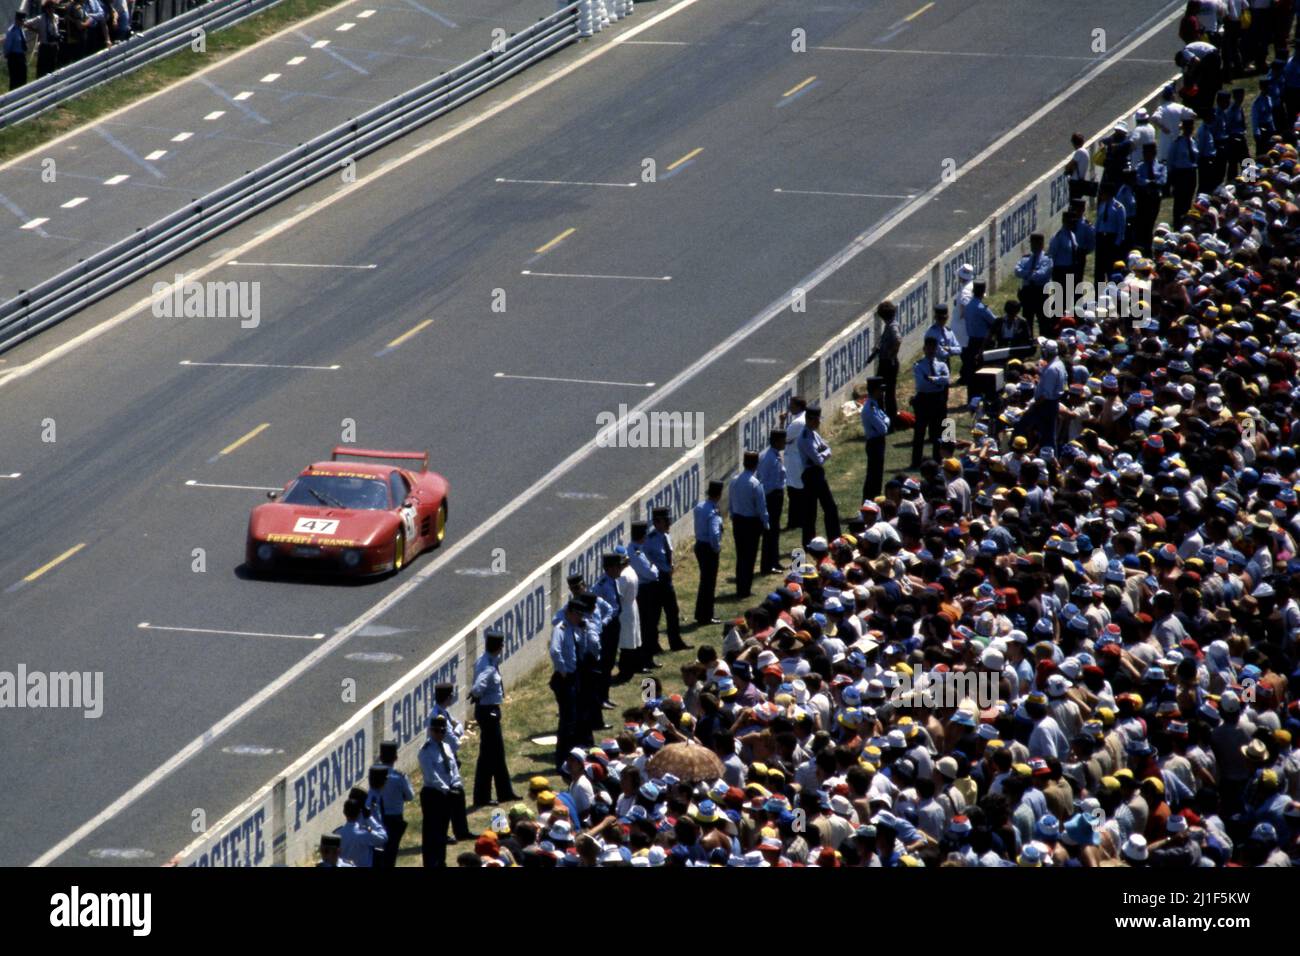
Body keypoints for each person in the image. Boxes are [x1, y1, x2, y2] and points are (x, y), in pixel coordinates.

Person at [472, 629, 517, 808]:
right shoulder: (488, 666)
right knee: (487, 756)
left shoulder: (489, 660)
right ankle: (482, 796)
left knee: (497, 754)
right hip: (487, 711)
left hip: (490, 709)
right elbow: (478, 687)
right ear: (499, 647)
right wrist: (476, 694)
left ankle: (504, 791)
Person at [419, 715, 462, 868]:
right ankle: (430, 863)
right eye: (437, 731)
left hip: (448, 793)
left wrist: (456, 784)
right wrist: (446, 789)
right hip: (433, 794)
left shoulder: (447, 747)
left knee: (443, 830)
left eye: (443, 731)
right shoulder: (425, 751)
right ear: (430, 731)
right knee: (432, 832)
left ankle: (441, 861)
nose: (440, 734)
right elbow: (431, 776)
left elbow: (453, 769)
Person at [644, 506, 688, 651]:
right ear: (657, 522)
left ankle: (675, 642)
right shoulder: (650, 540)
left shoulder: (665, 535)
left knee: (672, 612)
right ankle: (653, 645)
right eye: (665, 520)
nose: (669, 523)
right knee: (654, 615)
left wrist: (671, 567)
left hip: (666, 579)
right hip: (657, 581)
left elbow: (669, 555)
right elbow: (646, 561)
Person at [797, 405, 840, 548]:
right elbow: (819, 459)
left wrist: (823, 452)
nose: (819, 423)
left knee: (830, 507)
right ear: (809, 419)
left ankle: (834, 538)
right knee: (811, 512)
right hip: (811, 475)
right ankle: (808, 543)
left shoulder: (813, 434)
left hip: (818, 473)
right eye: (816, 420)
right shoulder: (804, 438)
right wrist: (823, 452)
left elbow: (827, 448)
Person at [549, 600, 584, 771]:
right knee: (566, 721)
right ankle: (562, 760)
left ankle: (569, 756)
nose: (580, 618)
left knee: (572, 719)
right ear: (569, 613)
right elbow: (555, 651)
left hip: (573, 676)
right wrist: (562, 669)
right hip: (564, 679)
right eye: (577, 614)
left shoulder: (573, 628)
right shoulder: (561, 628)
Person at [729, 450, 768, 598]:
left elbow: (731, 502)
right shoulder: (755, 484)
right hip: (751, 523)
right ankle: (745, 589)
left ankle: (740, 587)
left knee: (741, 555)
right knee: (750, 556)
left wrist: (733, 515)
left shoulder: (734, 480)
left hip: (738, 521)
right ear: (756, 464)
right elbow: (761, 507)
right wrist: (765, 523)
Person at [911, 336, 949, 468]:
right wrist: (938, 381)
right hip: (924, 399)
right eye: (929, 348)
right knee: (920, 431)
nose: (931, 350)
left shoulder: (942, 364)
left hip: (938, 399)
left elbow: (946, 380)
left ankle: (937, 459)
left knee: (939, 431)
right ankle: (916, 461)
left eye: (934, 348)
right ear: (924, 349)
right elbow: (922, 385)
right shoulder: (919, 365)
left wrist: (933, 379)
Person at [374, 739, 413, 867]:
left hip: (378, 818)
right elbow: (410, 796)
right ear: (396, 758)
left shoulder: (374, 775)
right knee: (391, 852)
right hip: (395, 818)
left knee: (377, 853)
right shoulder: (399, 777)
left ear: (380, 757)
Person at [629, 521, 662, 664]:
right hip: (644, 591)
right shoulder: (635, 552)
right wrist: (654, 567)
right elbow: (650, 573)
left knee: (649, 624)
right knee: (646, 626)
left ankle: (648, 655)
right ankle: (645, 658)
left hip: (646, 590)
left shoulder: (637, 549)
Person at [693, 480, 724, 625]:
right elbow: (714, 533)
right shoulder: (713, 510)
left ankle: (701, 613)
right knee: (709, 583)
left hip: (699, 545)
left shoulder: (700, 507)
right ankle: (706, 615)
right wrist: (717, 548)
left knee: (704, 581)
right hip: (708, 548)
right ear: (719, 494)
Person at [757, 428, 787, 574]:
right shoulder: (768, 458)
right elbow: (764, 481)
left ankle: (774, 561)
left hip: (776, 495)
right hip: (771, 497)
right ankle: (767, 565)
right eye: (783, 440)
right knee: (770, 532)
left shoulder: (774, 455)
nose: (785, 443)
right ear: (776, 441)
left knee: (775, 531)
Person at [1015, 233, 1053, 338]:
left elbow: (1041, 274)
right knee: (1027, 318)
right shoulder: (1026, 258)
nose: (1032, 246)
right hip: (1027, 292)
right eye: (1031, 243)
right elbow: (1017, 270)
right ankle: (1028, 339)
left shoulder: (1047, 259)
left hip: (1040, 292)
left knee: (1043, 319)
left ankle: (1044, 338)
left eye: (1034, 243)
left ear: (1040, 244)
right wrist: (1030, 273)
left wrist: (1026, 274)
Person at [335, 796, 387, 867]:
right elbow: (383, 837)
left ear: (344, 812)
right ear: (359, 813)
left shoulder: (337, 833)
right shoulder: (364, 833)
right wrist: (369, 818)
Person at [871, 301, 901, 425]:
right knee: (885, 392)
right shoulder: (890, 324)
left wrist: (891, 353)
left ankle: (888, 420)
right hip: (887, 362)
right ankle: (887, 418)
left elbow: (898, 340)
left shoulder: (892, 326)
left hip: (888, 363)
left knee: (886, 393)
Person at [861, 377, 890, 503]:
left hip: (878, 442)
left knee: (878, 475)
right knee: (873, 475)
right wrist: (886, 422)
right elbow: (883, 428)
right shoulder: (870, 408)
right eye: (880, 390)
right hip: (874, 443)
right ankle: (869, 501)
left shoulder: (875, 404)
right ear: (874, 390)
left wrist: (886, 422)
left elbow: (887, 419)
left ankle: (875, 499)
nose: (882, 392)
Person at [1093, 182, 1127, 285]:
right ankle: (1098, 293)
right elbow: (1098, 222)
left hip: (1111, 239)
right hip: (1101, 238)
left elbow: (1121, 227)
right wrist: (1096, 237)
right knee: (1099, 269)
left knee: (1110, 267)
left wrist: (1116, 244)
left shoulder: (1118, 207)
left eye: (1103, 193)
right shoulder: (1102, 205)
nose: (1101, 195)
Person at [1167, 117, 1200, 224]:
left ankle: (1186, 221)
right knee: (1179, 201)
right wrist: (1171, 178)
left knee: (1188, 199)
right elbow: (1170, 160)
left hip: (1191, 173)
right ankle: (1177, 223)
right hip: (1180, 174)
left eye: (1190, 127)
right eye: (1187, 128)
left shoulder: (1193, 141)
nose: (1189, 130)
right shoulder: (1177, 142)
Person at [783, 396, 808, 533]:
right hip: (798, 458)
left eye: (791, 405)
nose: (789, 407)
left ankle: (794, 522)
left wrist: (781, 423)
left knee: (794, 492)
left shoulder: (797, 423)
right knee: (798, 491)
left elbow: (783, 438)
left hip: (794, 460)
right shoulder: (803, 418)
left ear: (798, 406)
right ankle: (798, 520)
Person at [5, 11, 27, 92]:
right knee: (15, 80)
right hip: (14, 57)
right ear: (16, 20)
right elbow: (8, 46)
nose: (22, 22)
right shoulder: (12, 31)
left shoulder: (21, 29)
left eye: (23, 20)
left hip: (21, 56)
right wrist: (7, 55)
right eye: (21, 20)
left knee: (22, 79)